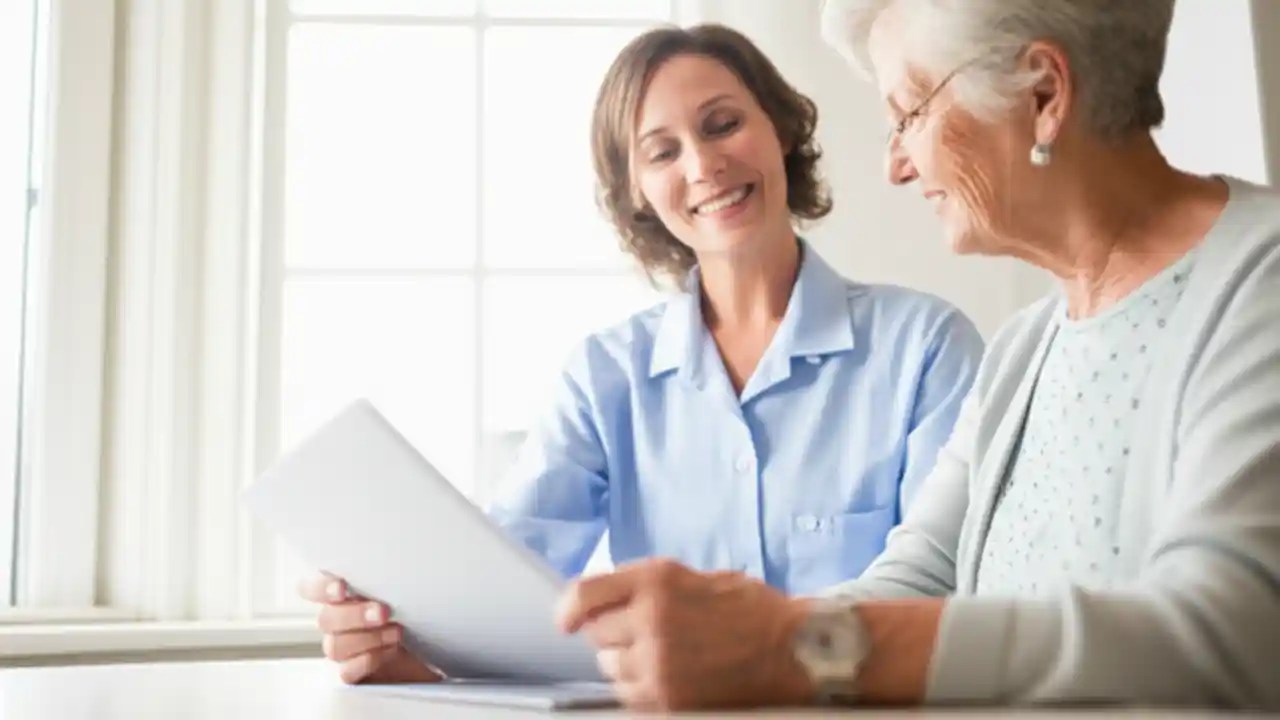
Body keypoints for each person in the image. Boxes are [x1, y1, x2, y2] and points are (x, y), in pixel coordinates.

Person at [553, 0, 1280, 711]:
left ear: (1043, 93)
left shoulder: (1261, 281)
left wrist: (792, 648)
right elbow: (919, 572)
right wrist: (734, 642)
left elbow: (1230, 633)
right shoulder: (1024, 348)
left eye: (909, 113)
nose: (896, 163)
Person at [298, 23, 985, 685]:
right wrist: (400, 637)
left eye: (723, 125)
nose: (704, 165)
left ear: (780, 129)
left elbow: (942, 591)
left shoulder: (924, 349)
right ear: (637, 193)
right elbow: (502, 586)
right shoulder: (606, 377)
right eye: (662, 152)